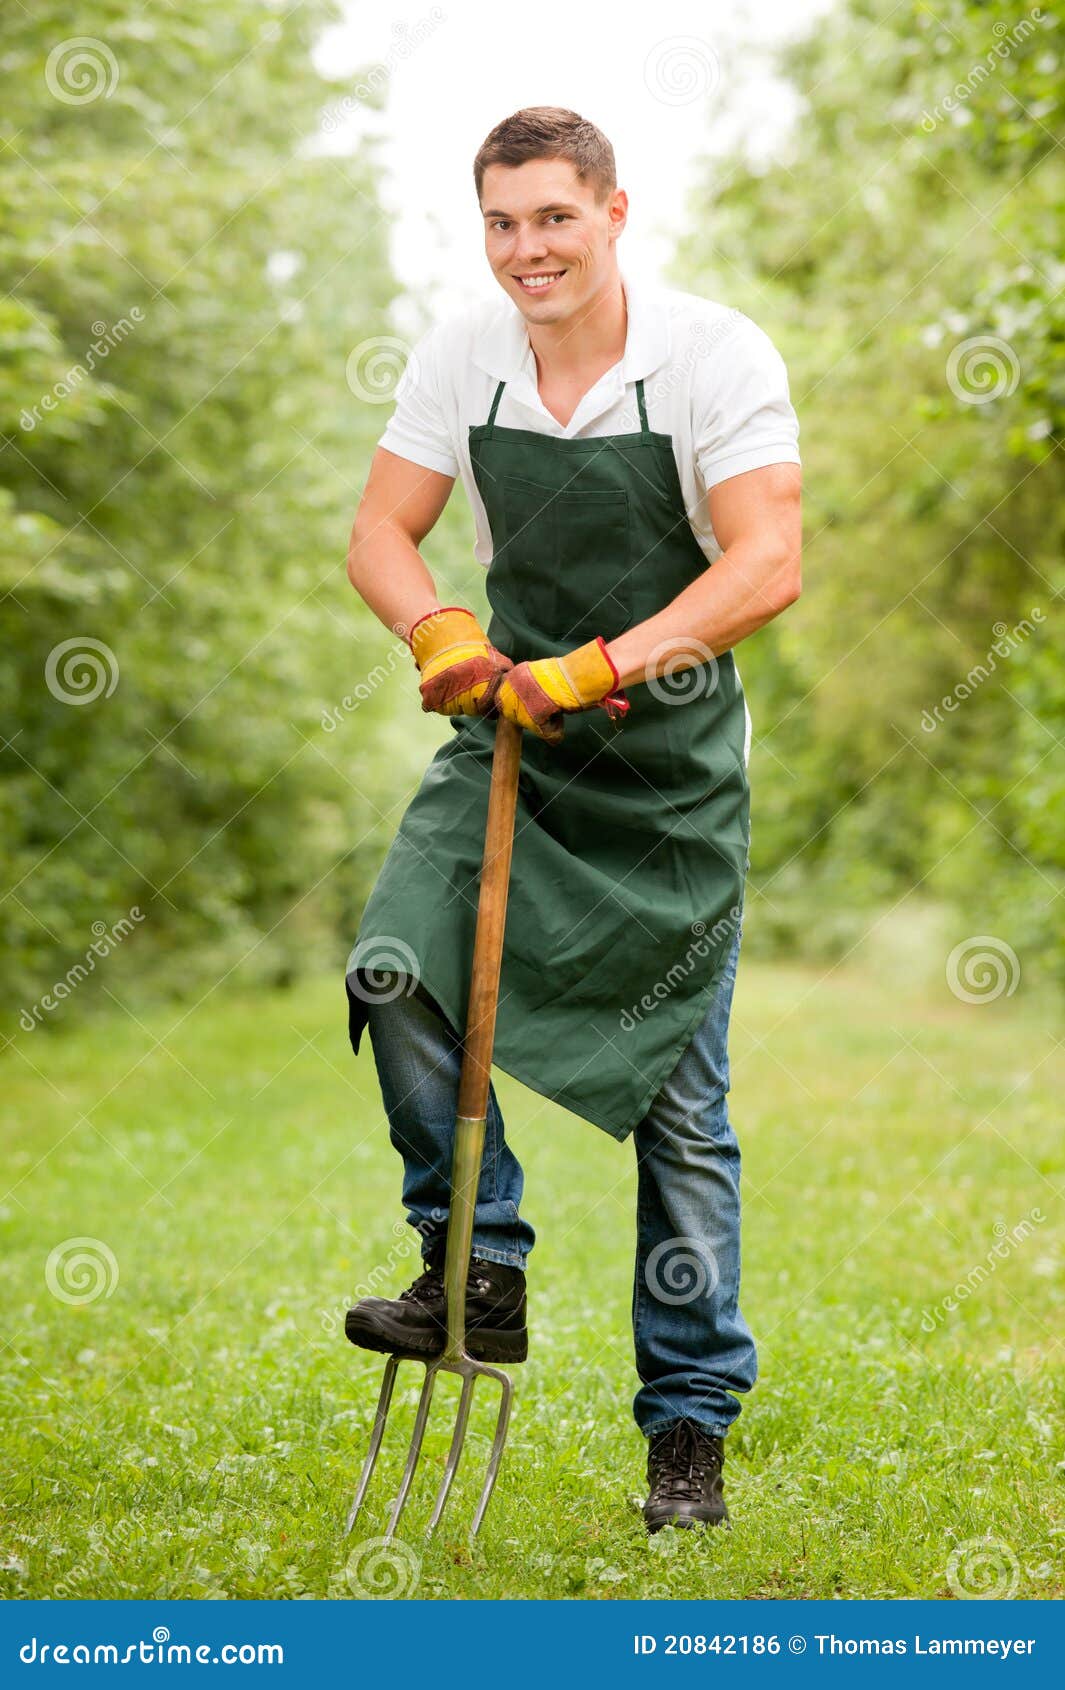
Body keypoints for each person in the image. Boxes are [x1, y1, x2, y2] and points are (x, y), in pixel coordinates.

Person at [342, 107, 802, 1532]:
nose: (524, 249)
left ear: (612, 212)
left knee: (680, 1118)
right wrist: (440, 632)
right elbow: (378, 527)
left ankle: (685, 1432)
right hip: (510, 753)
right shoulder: (462, 356)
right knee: (390, 968)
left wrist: (599, 664)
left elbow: (767, 558)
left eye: (551, 217)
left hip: (664, 784)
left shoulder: (713, 354)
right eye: (500, 222)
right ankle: (473, 1261)